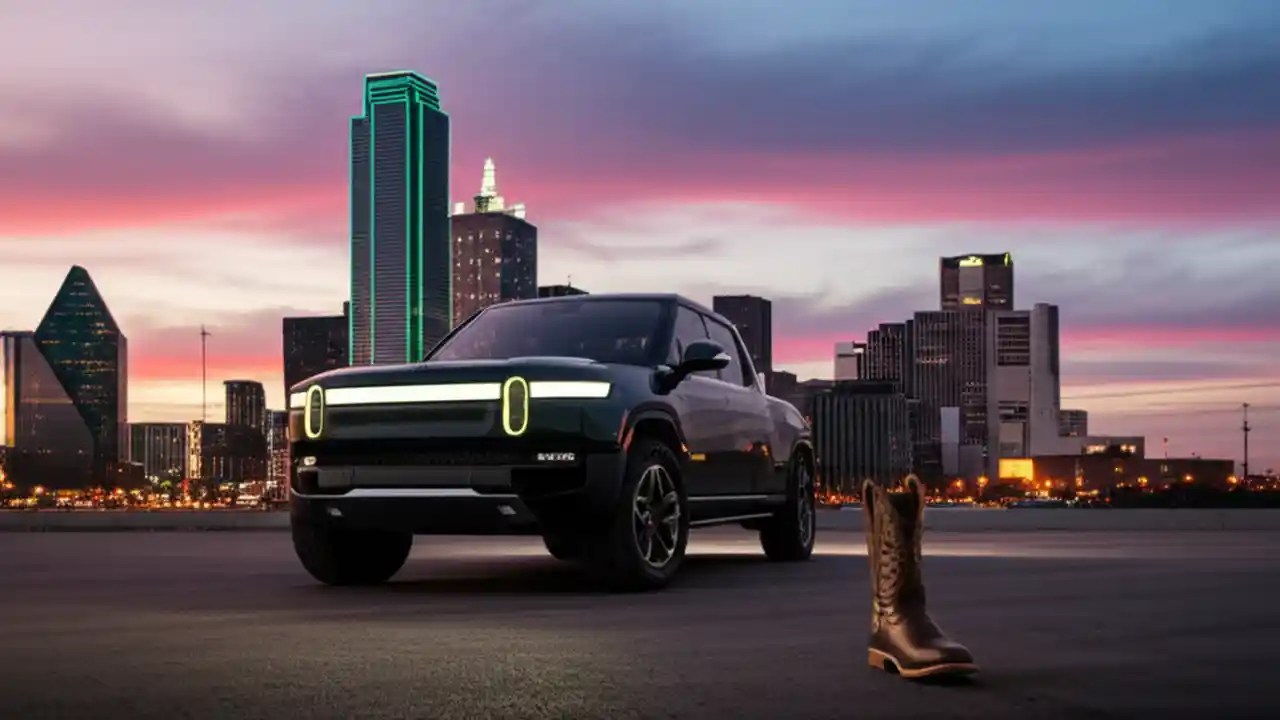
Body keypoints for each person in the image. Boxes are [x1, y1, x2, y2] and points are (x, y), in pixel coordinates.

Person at [860, 474, 978, 679]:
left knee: (904, 547)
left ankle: (889, 630)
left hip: (908, 614)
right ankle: (891, 622)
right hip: (892, 617)